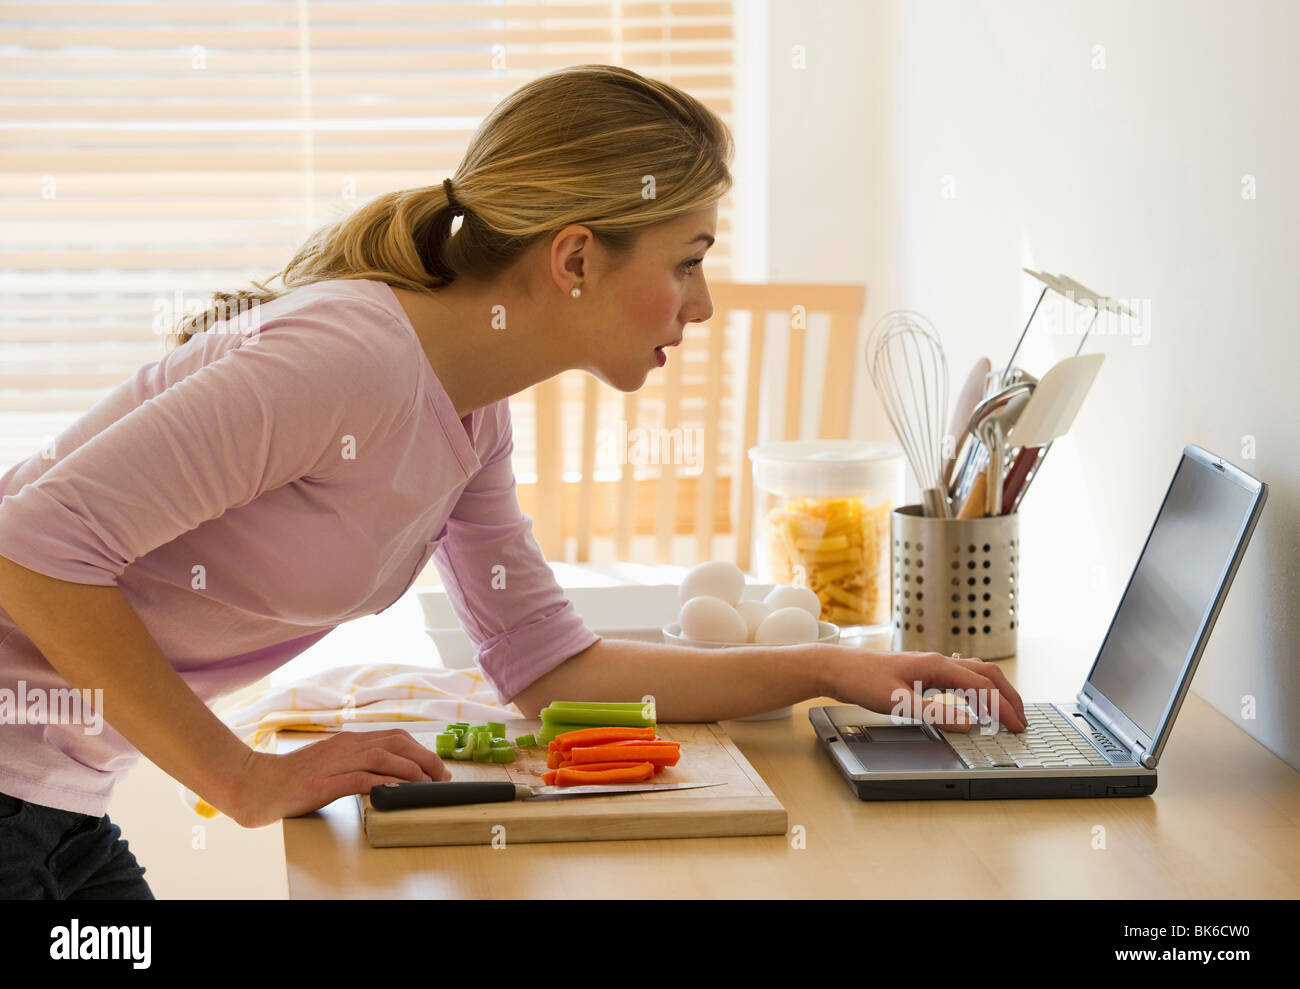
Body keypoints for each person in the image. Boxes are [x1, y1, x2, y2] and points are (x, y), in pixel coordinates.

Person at [0, 64, 1025, 899]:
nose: (701, 304)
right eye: (687, 260)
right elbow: (29, 548)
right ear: (575, 256)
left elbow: (544, 666)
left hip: (63, 801)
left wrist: (833, 669)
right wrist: (243, 777)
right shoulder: (345, 357)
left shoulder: (468, 412)